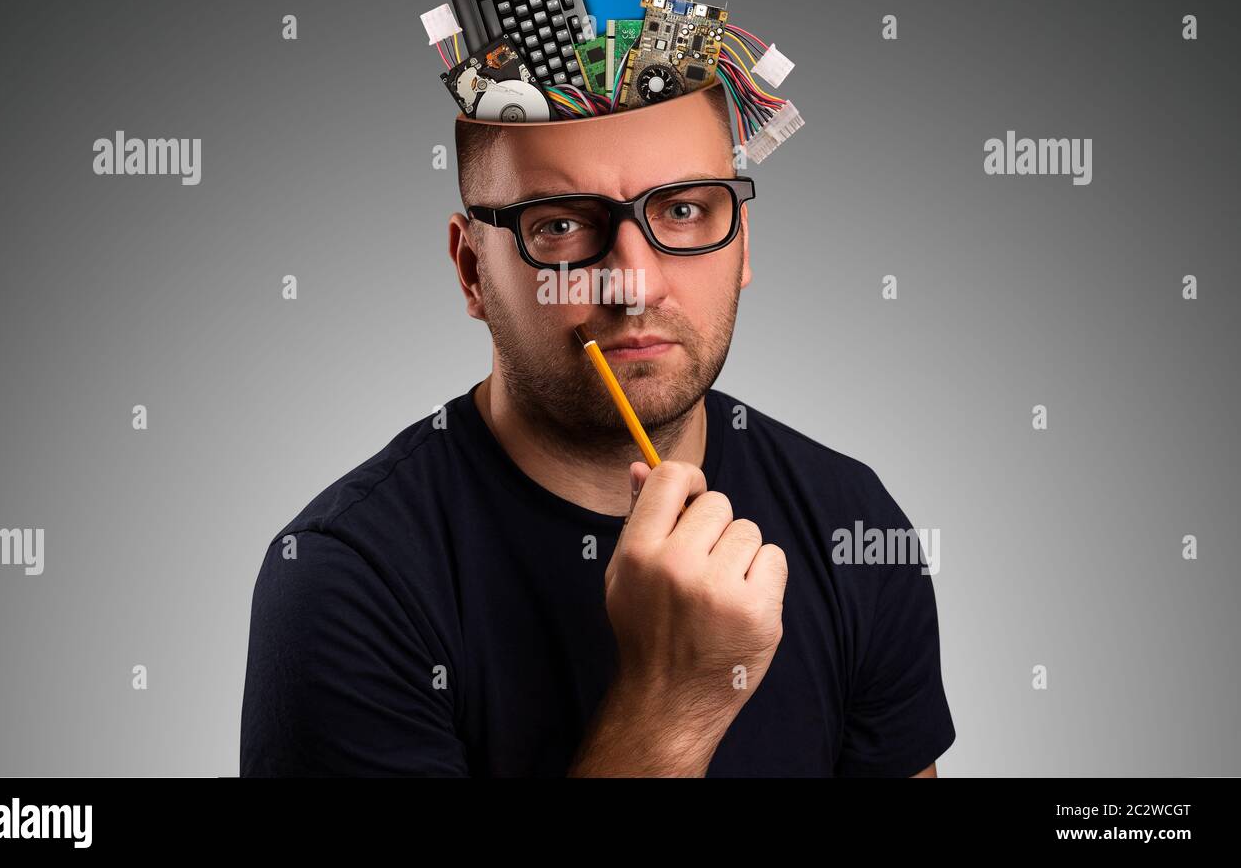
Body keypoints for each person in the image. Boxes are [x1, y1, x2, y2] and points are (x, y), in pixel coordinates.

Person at [239, 83, 955, 777]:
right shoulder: (342, 581)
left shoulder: (851, 519)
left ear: (742, 247)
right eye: (559, 224)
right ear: (472, 270)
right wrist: (674, 702)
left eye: (682, 209)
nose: (634, 284)